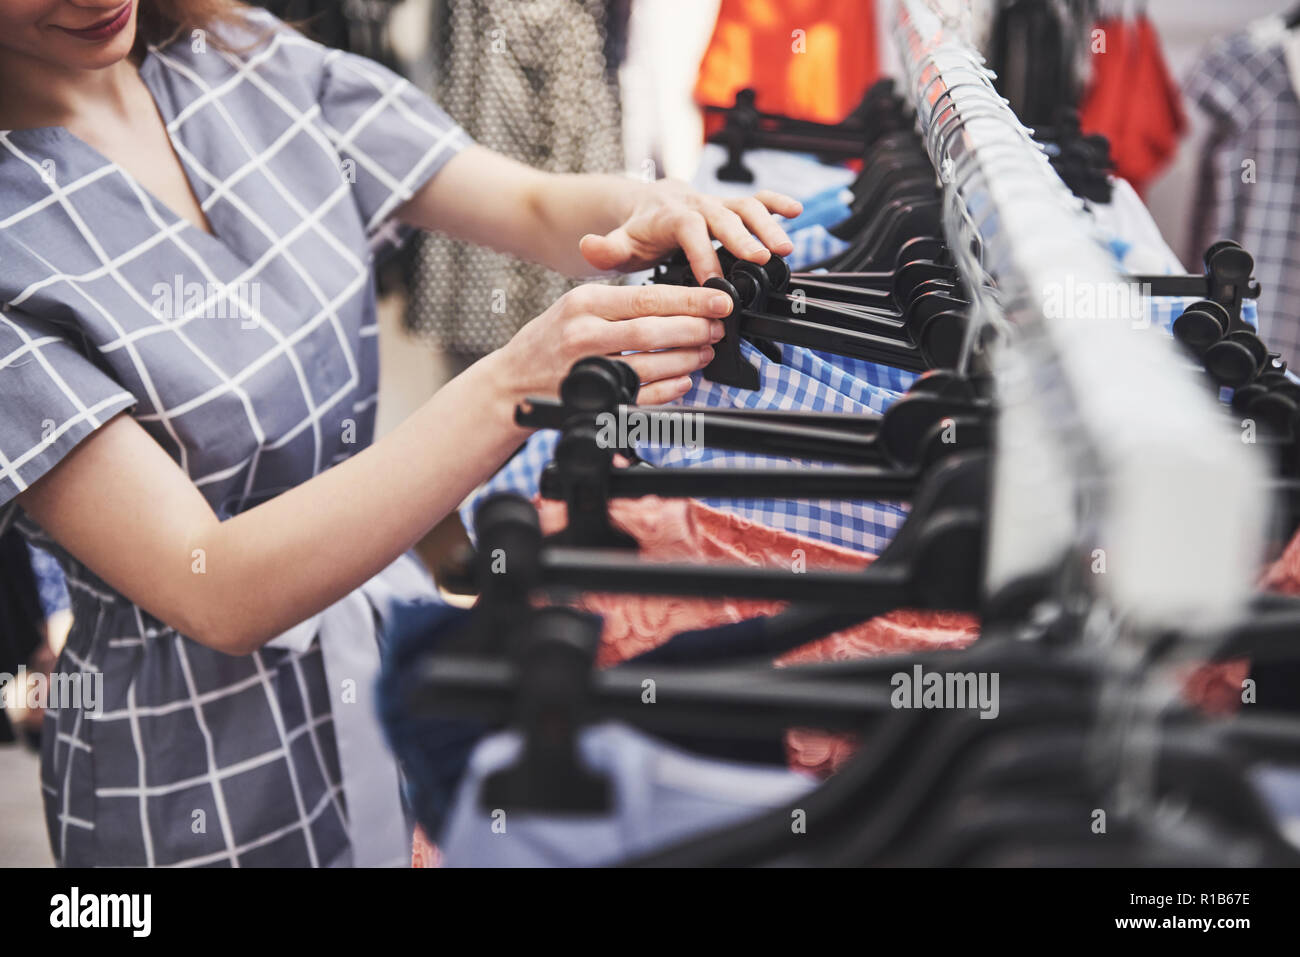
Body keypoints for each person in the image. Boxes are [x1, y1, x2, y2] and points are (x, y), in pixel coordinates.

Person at [0, 0, 801, 866]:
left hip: (373, 664)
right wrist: (509, 389)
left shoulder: (240, 57)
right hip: (186, 756)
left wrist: (650, 207)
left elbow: (530, 203)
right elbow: (215, 590)